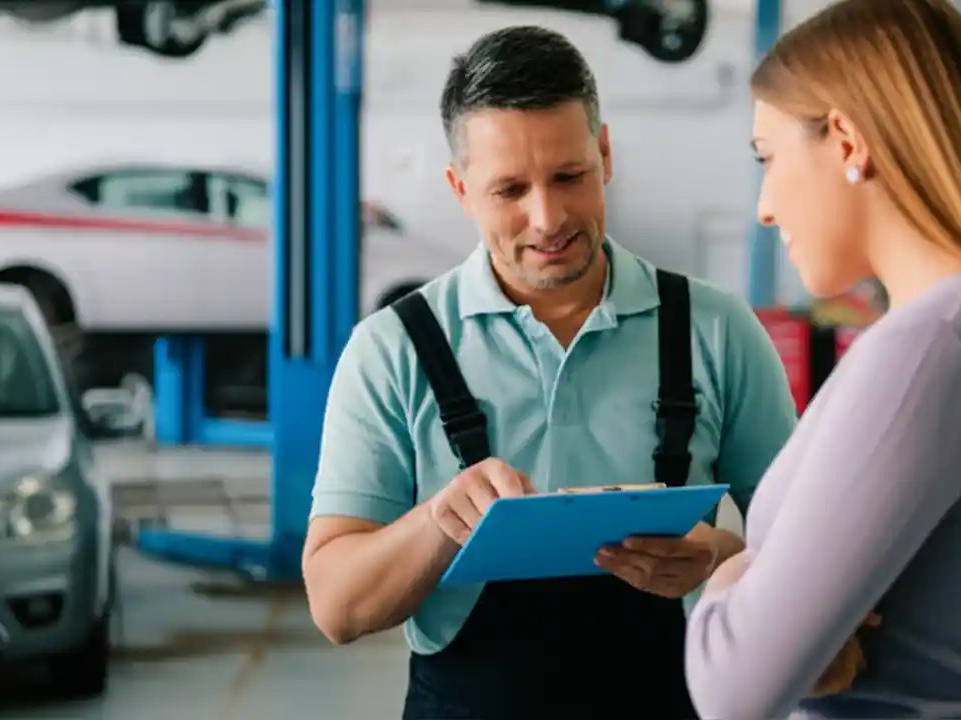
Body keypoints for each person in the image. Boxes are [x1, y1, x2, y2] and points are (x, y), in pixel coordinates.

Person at [300, 25, 800, 720]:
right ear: (460, 188)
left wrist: (719, 553)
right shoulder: (392, 351)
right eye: (509, 189)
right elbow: (336, 606)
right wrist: (440, 521)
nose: (549, 217)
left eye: (570, 176)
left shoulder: (716, 331)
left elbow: (809, 555)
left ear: (605, 154)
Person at [683, 1, 961, 718]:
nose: (764, 206)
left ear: (846, 142)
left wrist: (737, 580)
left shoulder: (928, 350)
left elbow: (731, 686)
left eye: (769, 157)